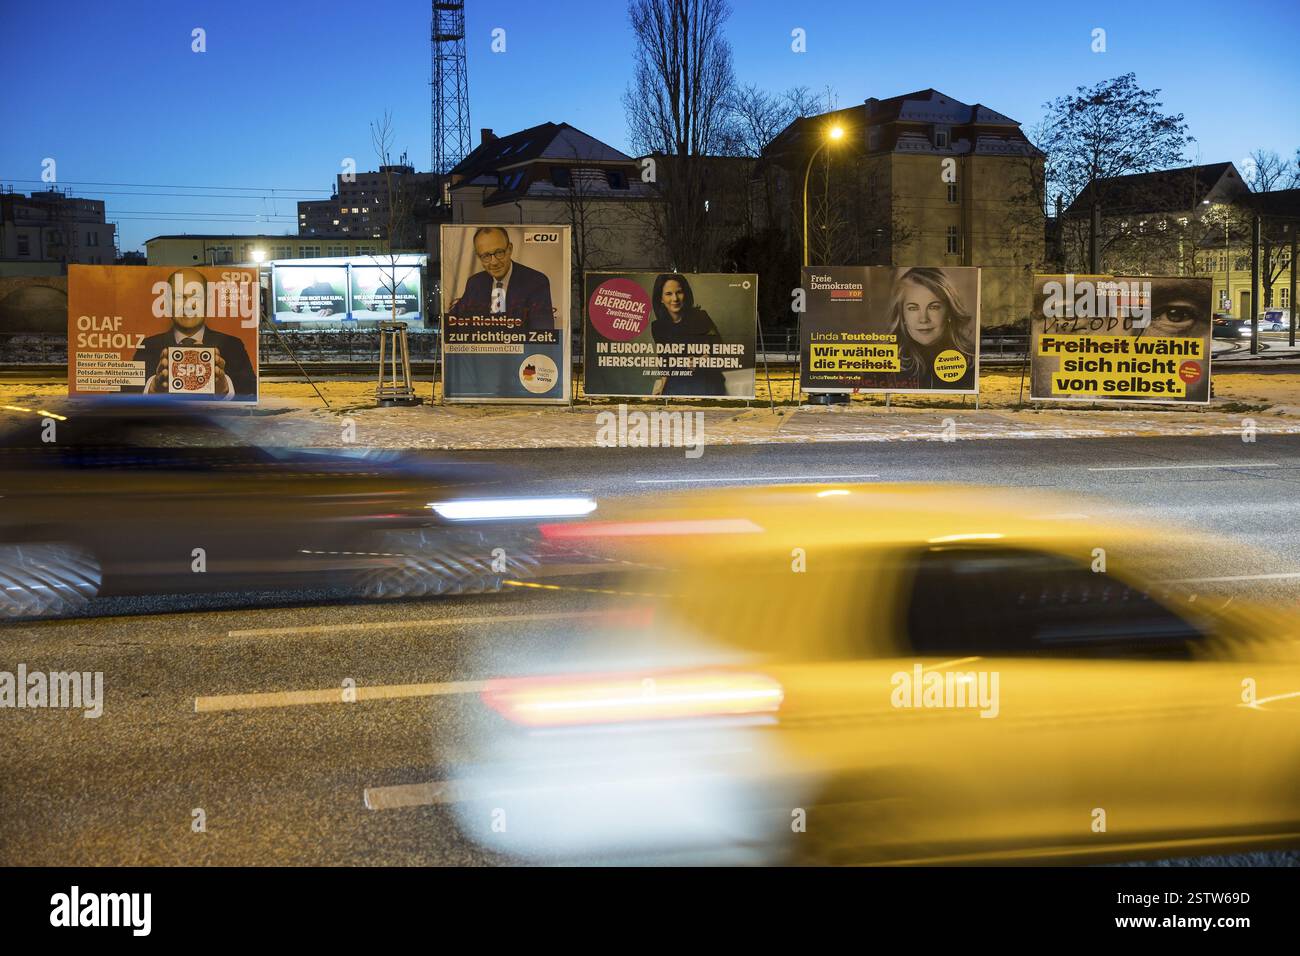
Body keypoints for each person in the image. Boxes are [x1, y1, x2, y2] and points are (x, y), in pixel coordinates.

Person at [131, 269, 257, 399]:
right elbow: (124, 395)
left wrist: (225, 388)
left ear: (208, 301)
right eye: (179, 297)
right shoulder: (148, 345)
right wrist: (152, 390)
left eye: (196, 297)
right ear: (167, 301)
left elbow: (251, 393)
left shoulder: (233, 346)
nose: (188, 306)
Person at [447, 226, 554, 330]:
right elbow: (458, 325)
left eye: (499, 252)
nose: (494, 262)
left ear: (510, 249)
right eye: (486, 255)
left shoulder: (536, 282)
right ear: (479, 257)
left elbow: (544, 334)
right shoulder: (474, 283)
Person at [888, 267, 976, 391]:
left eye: (933, 307)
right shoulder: (884, 363)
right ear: (902, 315)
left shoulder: (972, 362)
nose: (923, 319)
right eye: (913, 308)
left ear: (949, 311)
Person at [649, 273, 726, 397]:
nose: (675, 299)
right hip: (678, 378)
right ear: (661, 299)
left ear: (686, 294)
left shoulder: (701, 316)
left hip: (705, 375)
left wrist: (700, 361)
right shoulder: (657, 327)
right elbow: (664, 361)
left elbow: (718, 347)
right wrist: (663, 387)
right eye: (669, 294)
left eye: (679, 292)